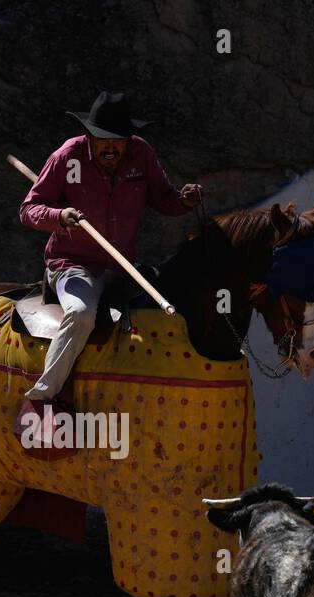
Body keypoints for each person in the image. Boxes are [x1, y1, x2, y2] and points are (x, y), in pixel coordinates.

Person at [18, 91, 203, 405]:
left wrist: (184, 201)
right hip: (72, 265)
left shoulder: (141, 154)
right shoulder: (67, 156)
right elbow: (28, 210)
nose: (111, 147)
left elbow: (164, 199)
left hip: (121, 268)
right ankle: (44, 395)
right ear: (89, 135)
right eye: (103, 139)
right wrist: (59, 216)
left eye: (118, 141)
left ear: (129, 139)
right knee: (81, 314)